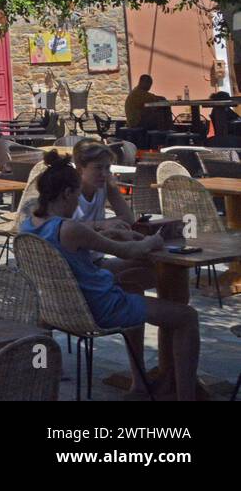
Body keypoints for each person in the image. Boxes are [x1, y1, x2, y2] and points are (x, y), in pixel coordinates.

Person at [21, 152, 200, 400]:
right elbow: (128, 251)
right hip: (100, 307)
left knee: (133, 284)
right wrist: (154, 239)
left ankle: (140, 386)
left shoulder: (29, 225)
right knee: (186, 316)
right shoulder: (70, 229)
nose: (78, 202)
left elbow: (96, 240)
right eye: (76, 195)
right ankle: (185, 396)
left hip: (59, 308)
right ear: (66, 194)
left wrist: (110, 232)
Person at [67, 138, 154, 291]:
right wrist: (101, 224)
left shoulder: (104, 185)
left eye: (108, 168)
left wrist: (113, 187)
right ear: (80, 168)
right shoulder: (70, 191)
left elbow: (128, 218)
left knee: (155, 266)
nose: (104, 174)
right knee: (138, 275)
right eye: (98, 168)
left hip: (96, 261)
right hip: (75, 268)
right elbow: (63, 227)